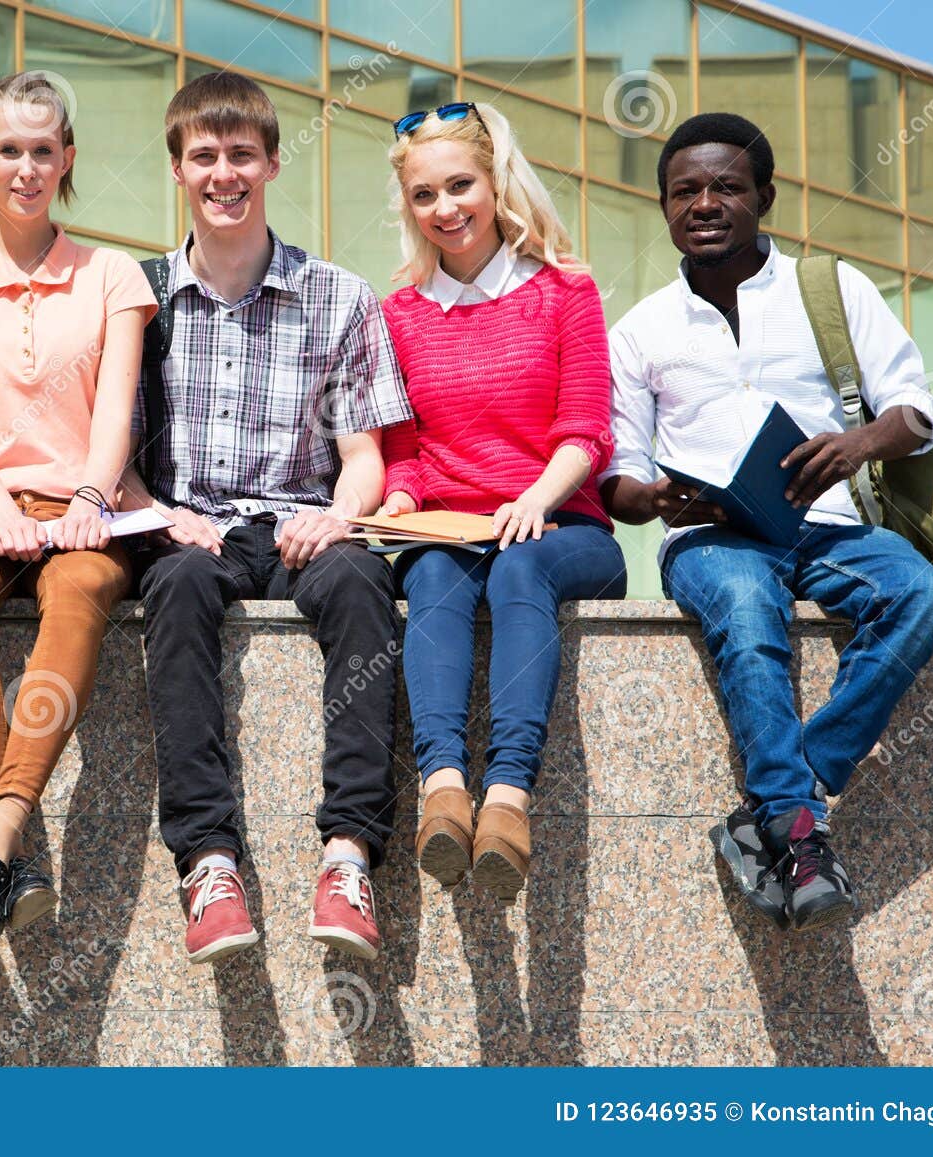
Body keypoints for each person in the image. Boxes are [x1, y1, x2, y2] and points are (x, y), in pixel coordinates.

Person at [599, 112, 933, 932]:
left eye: (726, 186)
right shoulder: (642, 328)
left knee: (921, 594)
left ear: (765, 196)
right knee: (750, 614)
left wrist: (858, 442)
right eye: (685, 191)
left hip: (825, 524)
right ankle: (798, 830)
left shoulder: (830, 287)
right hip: (710, 539)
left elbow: (915, 409)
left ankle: (789, 800)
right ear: (664, 207)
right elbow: (622, 471)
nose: (706, 203)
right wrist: (653, 500)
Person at [124, 72, 412, 964]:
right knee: (172, 590)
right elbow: (113, 461)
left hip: (301, 524)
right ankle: (209, 863)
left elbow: (364, 459)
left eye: (242, 154)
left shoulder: (340, 297)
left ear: (273, 163)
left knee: (364, 580)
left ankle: (348, 853)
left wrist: (338, 518)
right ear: (177, 168)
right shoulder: (136, 300)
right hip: (188, 529)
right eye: (203, 156)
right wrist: (161, 516)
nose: (224, 173)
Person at [0, 73, 156, 940]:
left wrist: (87, 493)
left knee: (81, 587)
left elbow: (116, 406)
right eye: (8, 149)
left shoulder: (112, 274)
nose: (26, 167)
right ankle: (2, 837)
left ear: (68, 160)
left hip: (87, 507)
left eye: (44, 150)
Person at [378, 102, 626, 905]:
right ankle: (444, 792)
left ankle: (509, 801)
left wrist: (532, 500)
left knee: (520, 569)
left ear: (496, 183)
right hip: (452, 529)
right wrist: (404, 496)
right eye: (425, 195)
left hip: (563, 525)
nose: (445, 208)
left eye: (460, 186)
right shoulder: (400, 315)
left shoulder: (565, 292)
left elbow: (587, 429)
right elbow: (404, 447)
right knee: (433, 579)